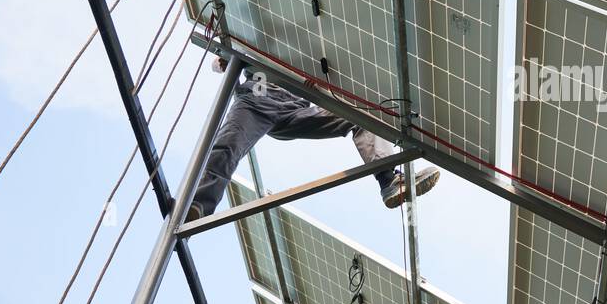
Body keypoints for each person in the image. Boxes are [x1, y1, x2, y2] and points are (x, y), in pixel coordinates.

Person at [187, 59, 439, 222]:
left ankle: (389, 181)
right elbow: (219, 60)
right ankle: (198, 204)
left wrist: (320, 89)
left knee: (359, 116)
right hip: (258, 97)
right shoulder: (254, 22)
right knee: (229, 145)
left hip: (295, 107)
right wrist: (223, 61)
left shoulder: (313, 33)